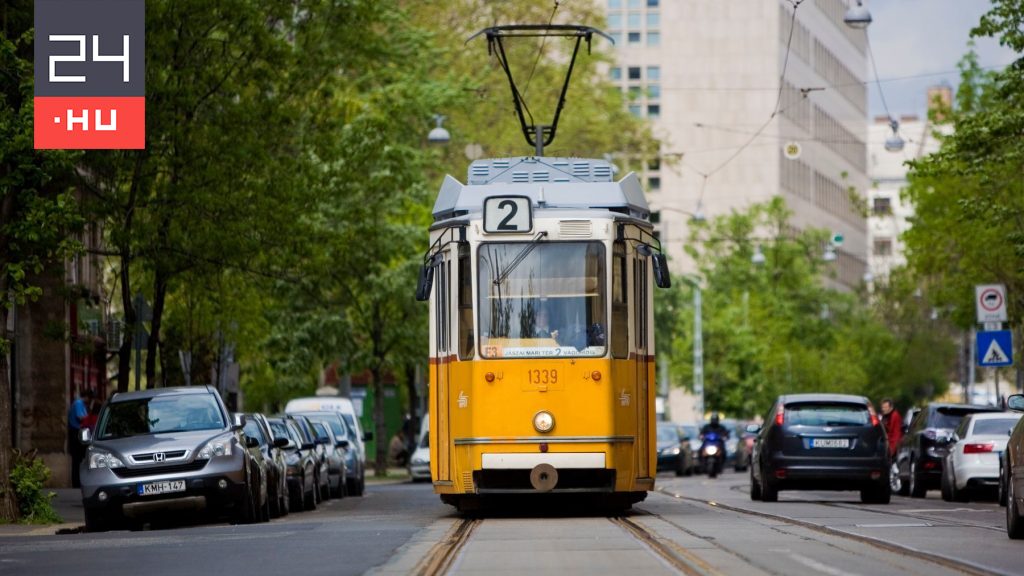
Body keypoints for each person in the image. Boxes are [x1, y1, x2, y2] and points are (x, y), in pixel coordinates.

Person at [67, 388, 91, 487]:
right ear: (86, 397)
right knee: (76, 459)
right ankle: (76, 482)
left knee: (80, 459)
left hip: (80, 432)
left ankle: (79, 481)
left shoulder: (82, 405)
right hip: (75, 432)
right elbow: (80, 417)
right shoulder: (78, 403)